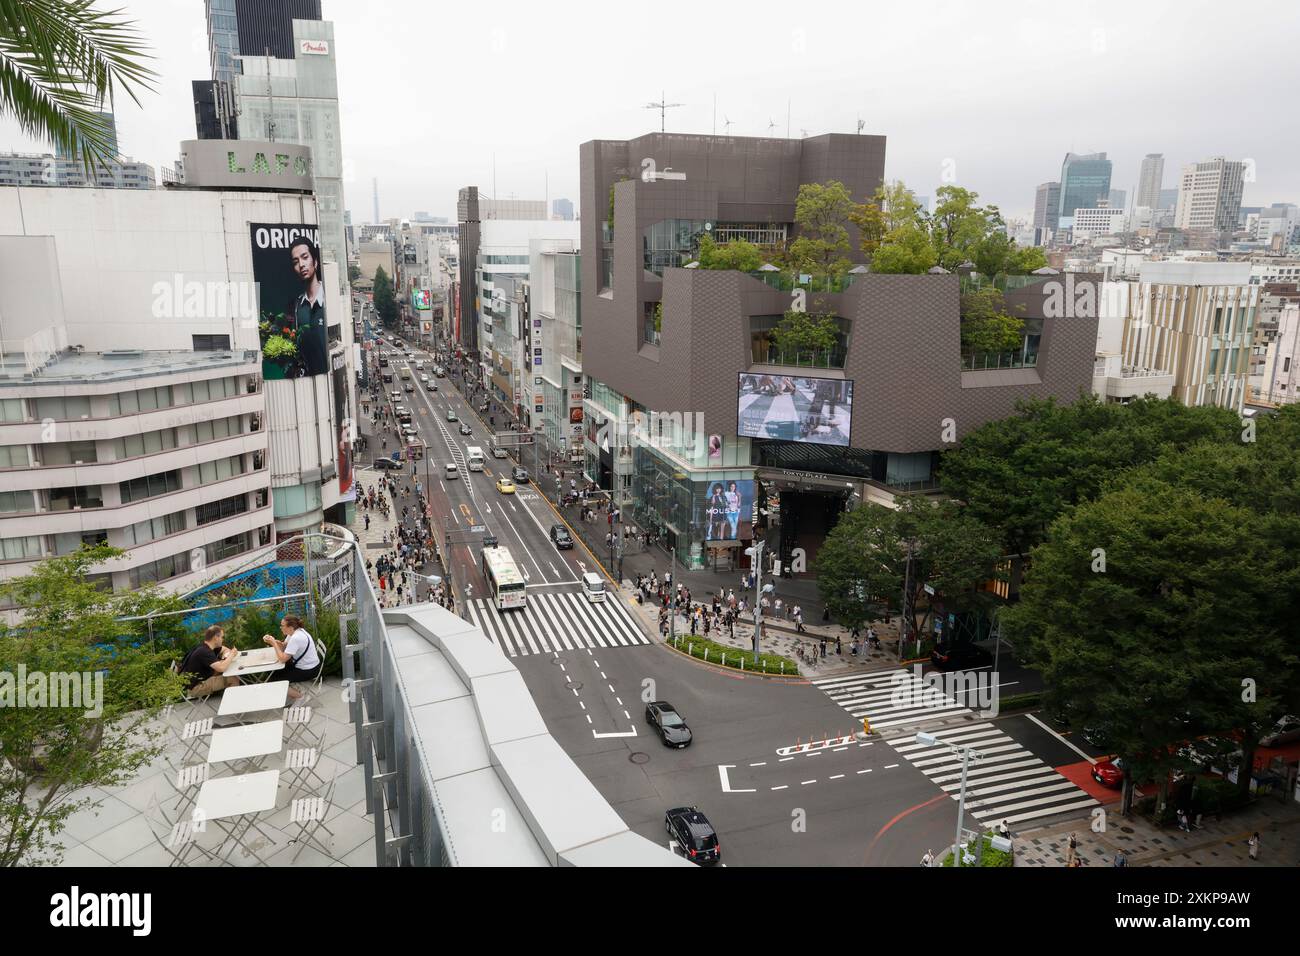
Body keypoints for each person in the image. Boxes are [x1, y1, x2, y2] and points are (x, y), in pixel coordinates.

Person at [283, 237, 329, 377]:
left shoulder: (329, 297)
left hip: (328, 378)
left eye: (304, 257)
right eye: (296, 262)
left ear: (315, 261)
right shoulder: (294, 307)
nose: (301, 265)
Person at [262, 614, 323, 701]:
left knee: (276, 682)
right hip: (309, 665)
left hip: (309, 670)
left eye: (282, 625)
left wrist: (273, 644)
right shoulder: (295, 632)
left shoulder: (296, 638)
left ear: (290, 627)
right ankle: (294, 692)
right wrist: (273, 640)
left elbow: (283, 659)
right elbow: (284, 646)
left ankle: (300, 697)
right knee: (273, 674)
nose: (280, 627)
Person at [178, 625, 242, 698]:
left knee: (224, 669)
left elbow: (225, 649)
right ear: (216, 638)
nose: (222, 639)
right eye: (222, 637)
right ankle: (231, 705)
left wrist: (225, 657)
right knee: (233, 679)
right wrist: (231, 655)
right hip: (194, 687)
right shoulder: (205, 652)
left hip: (198, 679)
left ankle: (230, 700)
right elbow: (221, 668)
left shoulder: (207, 646)